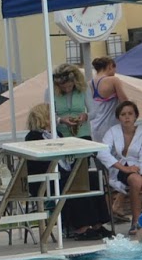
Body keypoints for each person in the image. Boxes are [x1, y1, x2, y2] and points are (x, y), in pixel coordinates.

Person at [26, 102, 110, 241]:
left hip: (62, 172)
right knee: (71, 182)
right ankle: (80, 227)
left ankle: (97, 223)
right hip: (45, 178)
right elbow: (41, 162)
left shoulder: (56, 134)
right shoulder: (33, 136)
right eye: (52, 114)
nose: (55, 116)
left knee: (91, 178)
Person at [98, 100, 142, 232]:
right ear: (118, 117)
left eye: (130, 113)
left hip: (140, 166)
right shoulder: (112, 132)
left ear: (136, 116)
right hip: (119, 168)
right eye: (123, 114)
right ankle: (136, 223)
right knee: (136, 181)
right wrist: (124, 168)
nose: (127, 117)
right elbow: (102, 152)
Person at [87, 55, 127, 142]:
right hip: (111, 126)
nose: (115, 72)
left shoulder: (89, 84)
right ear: (109, 66)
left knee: (100, 154)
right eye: (114, 69)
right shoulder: (113, 80)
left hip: (94, 126)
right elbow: (124, 102)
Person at [51, 64, 90, 139]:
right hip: (60, 135)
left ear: (76, 82)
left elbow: (94, 111)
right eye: (63, 87)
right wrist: (60, 120)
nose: (67, 90)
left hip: (83, 134)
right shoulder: (50, 91)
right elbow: (47, 114)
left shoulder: (84, 88)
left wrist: (86, 116)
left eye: (69, 86)